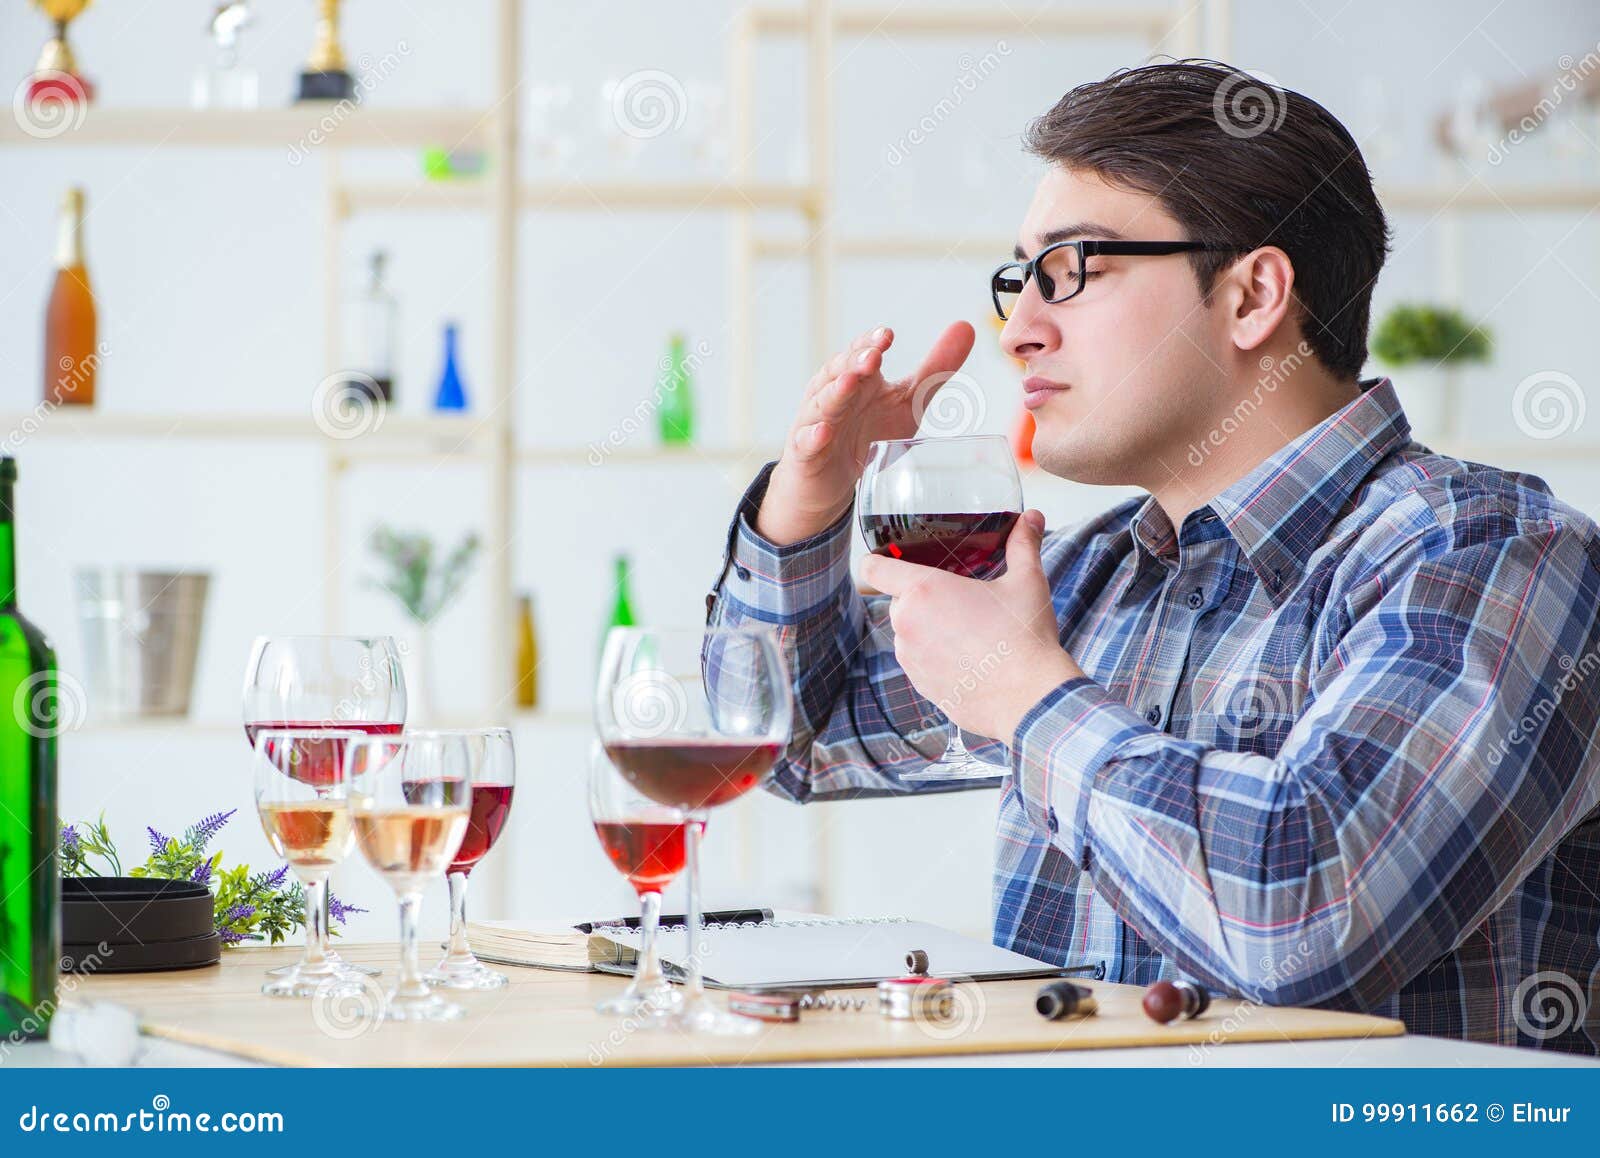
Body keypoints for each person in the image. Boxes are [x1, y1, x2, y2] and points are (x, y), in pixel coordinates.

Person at [705, 60, 1600, 1053]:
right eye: (1018, 281)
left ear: (1252, 295)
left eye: (1070, 270)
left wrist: (1027, 700)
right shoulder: (1088, 579)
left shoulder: (1494, 555)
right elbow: (784, 740)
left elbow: (1307, 922)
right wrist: (811, 498)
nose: (1018, 332)